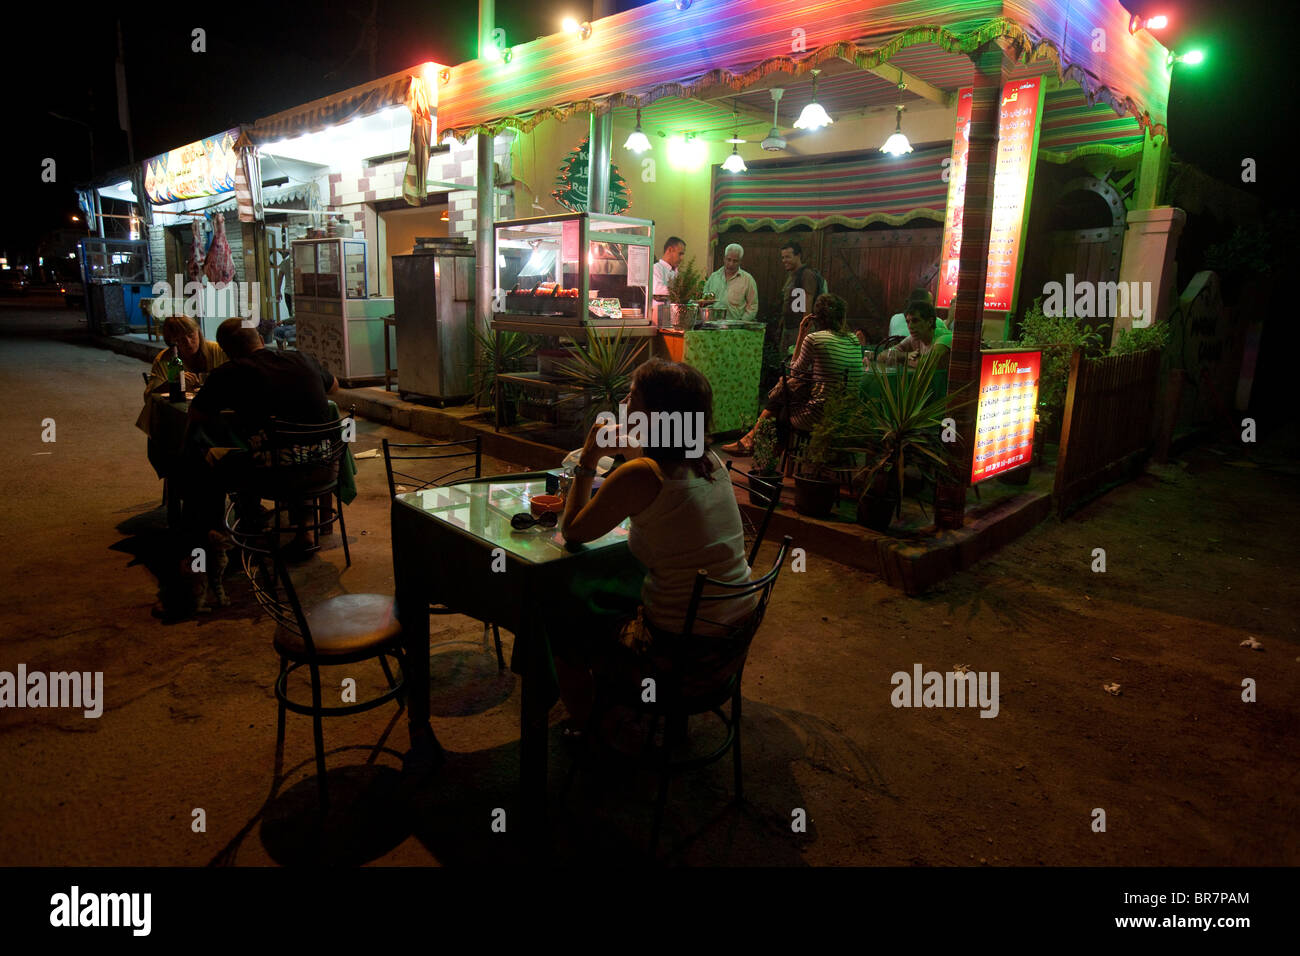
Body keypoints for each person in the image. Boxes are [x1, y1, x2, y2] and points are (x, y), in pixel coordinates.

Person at [556, 359, 757, 729]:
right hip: (730, 644)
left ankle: (595, 733)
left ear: (656, 413)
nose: (624, 402)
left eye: (632, 396)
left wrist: (588, 457)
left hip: (678, 656)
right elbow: (655, 471)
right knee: (620, 595)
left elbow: (573, 531)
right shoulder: (708, 460)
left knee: (561, 626)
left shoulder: (640, 476)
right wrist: (629, 451)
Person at [722, 293, 862, 454]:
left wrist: (802, 334)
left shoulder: (815, 339)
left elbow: (794, 369)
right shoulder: (853, 339)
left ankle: (765, 455)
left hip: (819, 415)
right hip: (846, 413)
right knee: (786, 393)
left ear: (816, 316)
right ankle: (755, 444)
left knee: (783, 406)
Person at [142, 315, 226, 398]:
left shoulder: (218, 350)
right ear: (172, 341)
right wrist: (173, 383)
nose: (188, 343)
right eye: (180, 339)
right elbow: (149, 396)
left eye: (191, 335)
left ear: (198, 332)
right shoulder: (165, 359)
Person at [778, 240, 823, 355]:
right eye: (783, 257)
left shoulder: (806, 275)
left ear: (798, 256)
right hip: (788, 328)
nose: (784, 261)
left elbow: (807, 303)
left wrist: (804, 332)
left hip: (798, 330)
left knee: (796, 365)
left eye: (788, 257)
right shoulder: (792, 275)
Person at [700, 243, 758, 323]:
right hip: (713, 324)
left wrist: (741, 322)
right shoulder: (714, 277)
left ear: (740, 261)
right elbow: (704, 299)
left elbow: (753, 306)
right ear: (724, 258)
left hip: (735, 327)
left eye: (735, 261)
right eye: (729, 259)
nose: (731, 264)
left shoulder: (748, 280)